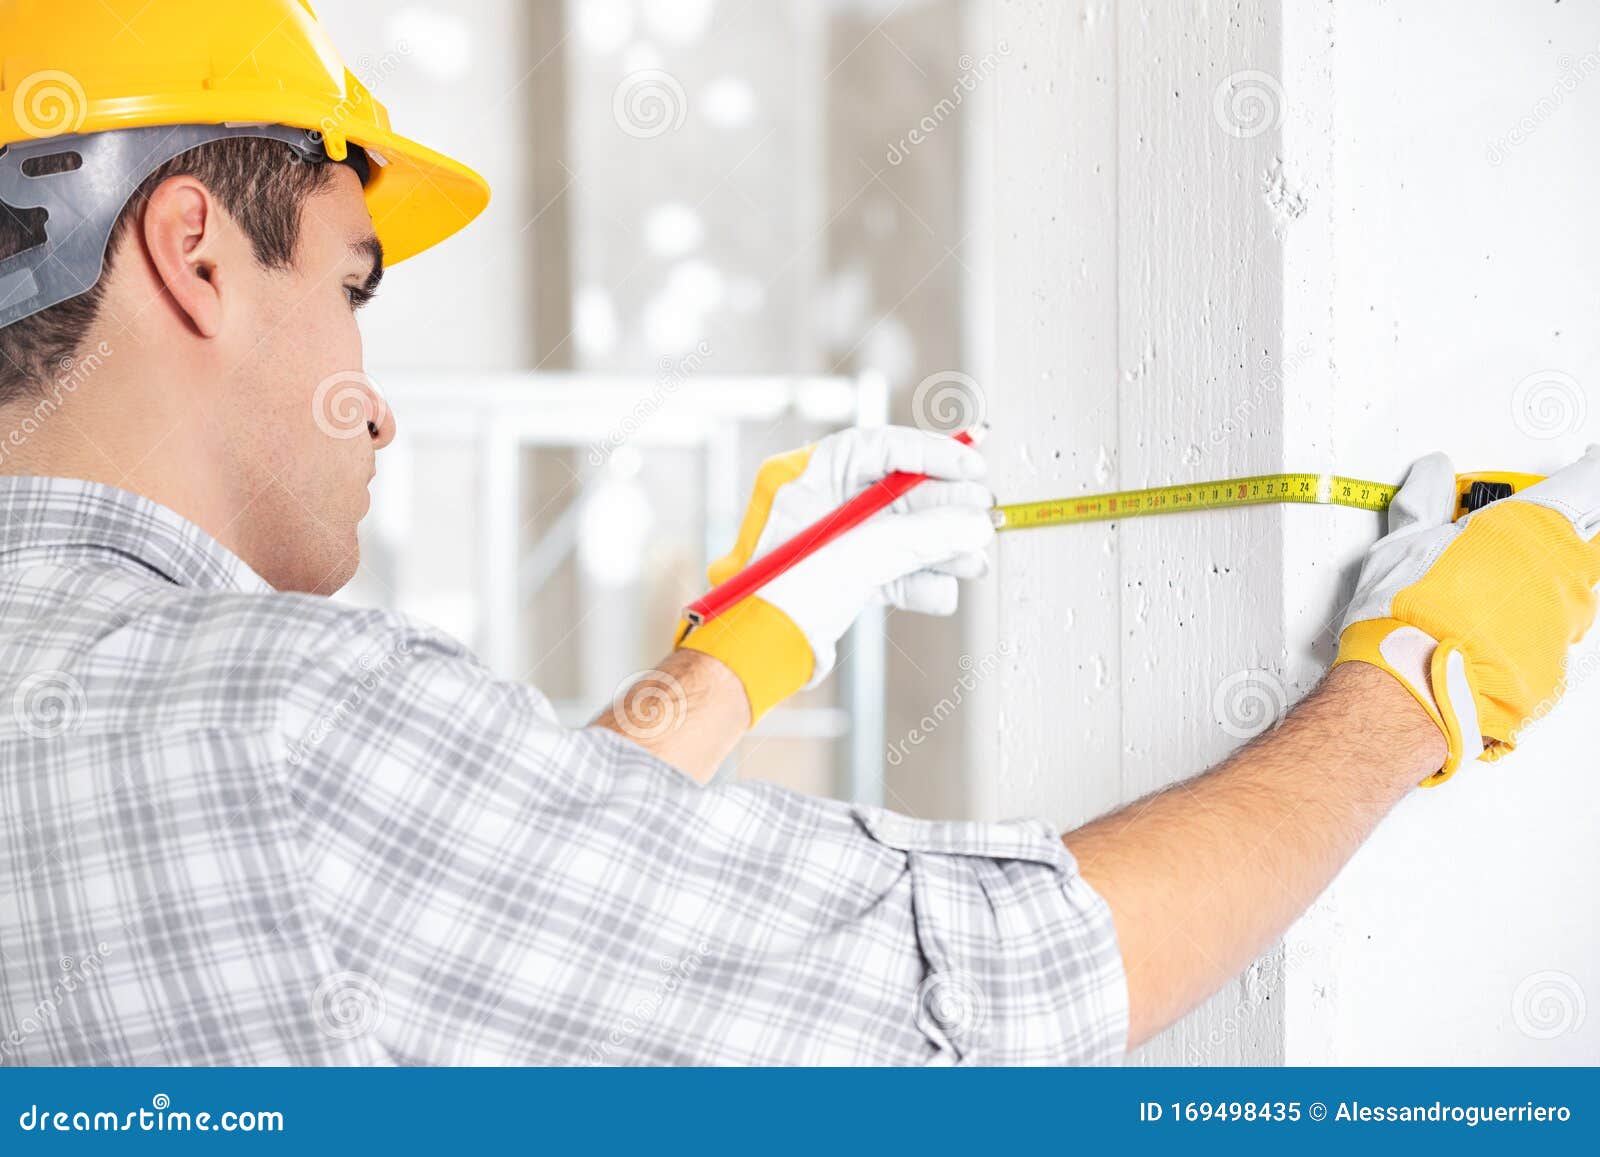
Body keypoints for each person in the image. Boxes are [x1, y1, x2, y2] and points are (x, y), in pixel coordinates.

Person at [2, 0, 1596, 1066]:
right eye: (351, 288)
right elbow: (979, 1001)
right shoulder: (282, 718)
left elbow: (451, 926)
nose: (376, 394)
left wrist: (741, 651)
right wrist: (1412, 688)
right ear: (195, 253)